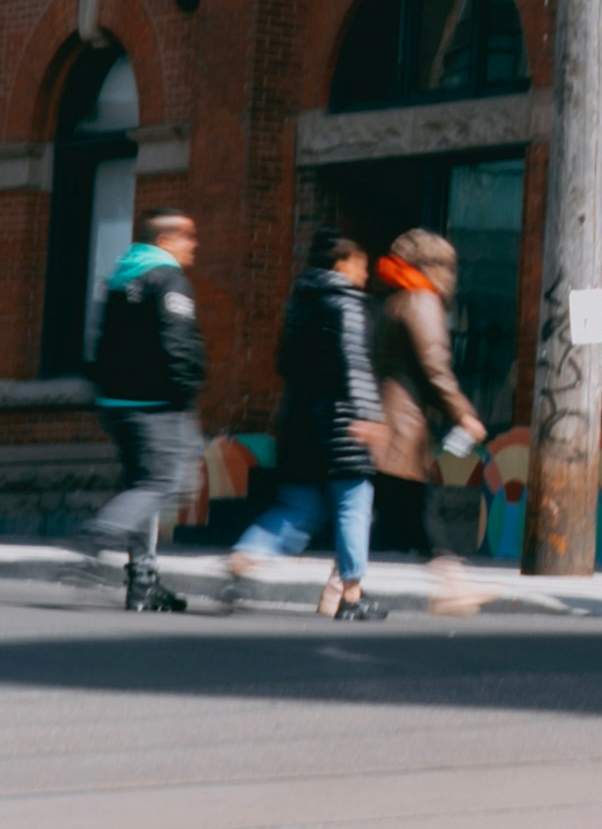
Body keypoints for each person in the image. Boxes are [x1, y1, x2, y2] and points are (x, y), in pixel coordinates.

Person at [227, 228, 385, 623]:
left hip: (299, 422)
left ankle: (247, 553)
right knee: (353, 504)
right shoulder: (345, 304)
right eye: (361, 264)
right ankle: (352, 595)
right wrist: (368, 416)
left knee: (300, 506)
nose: (365, 272)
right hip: (341, 423)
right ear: (342, 265)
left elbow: (284, 363)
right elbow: (355, 365)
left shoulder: (300, 303)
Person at [83, 202, 202, 613]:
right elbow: (177, 342)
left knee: (142, 486)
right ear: (165, 240)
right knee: (165, 484)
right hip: (158, 402)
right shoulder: (168, 279)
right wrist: (185, 389)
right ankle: (105, 531)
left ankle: (143, 585)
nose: (194, 245)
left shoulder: (119, 278)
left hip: (117, 402)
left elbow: (100, 339)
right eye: (188, 237)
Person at [369, 230, 492, 613]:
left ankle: (451, 589)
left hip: (383, 423)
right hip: (402, 427)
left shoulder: (392, 301)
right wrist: (464, 413)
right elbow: (435, 366)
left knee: (384, 513)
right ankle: (453, 590)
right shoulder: (422, 300)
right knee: (420, 515)